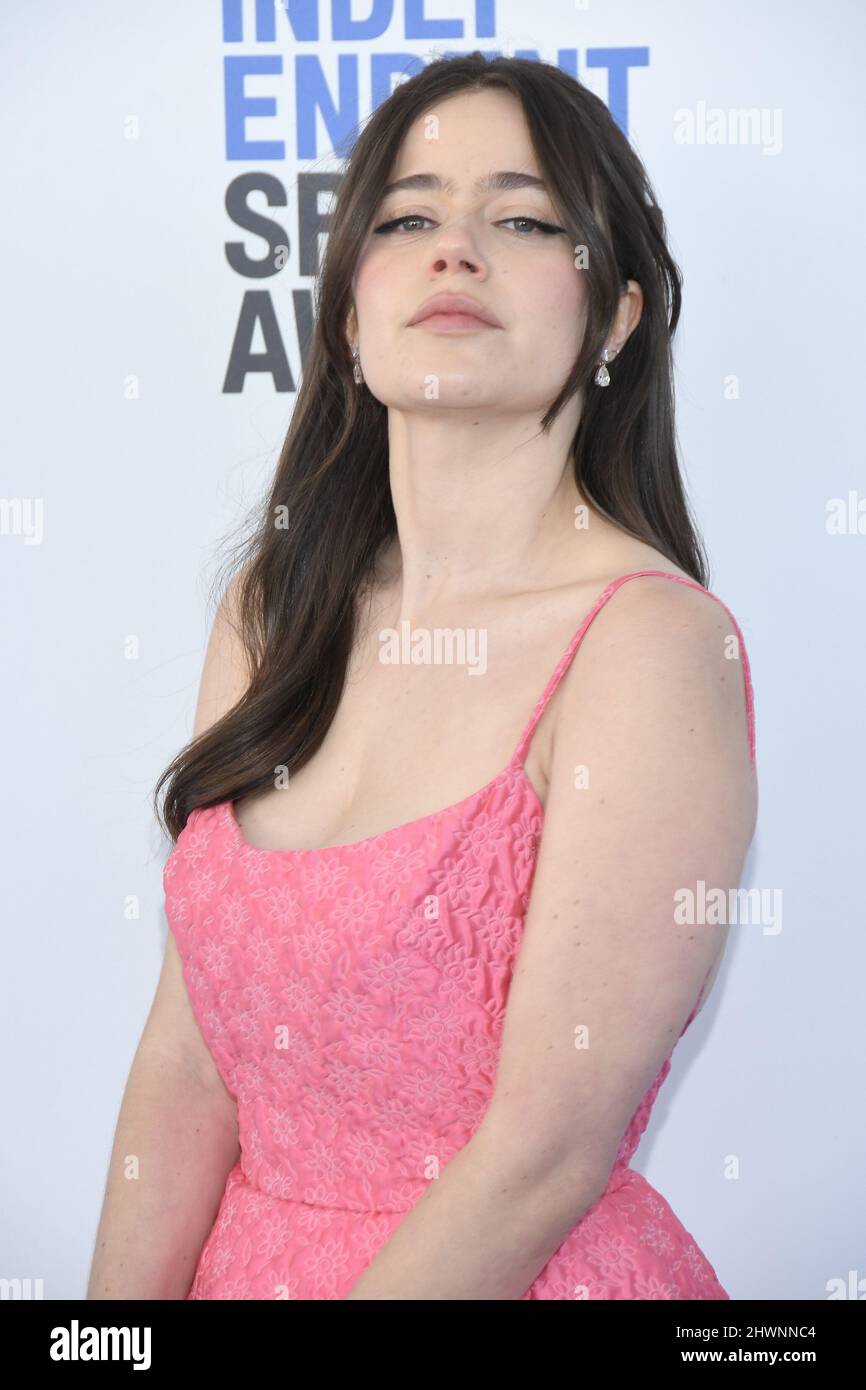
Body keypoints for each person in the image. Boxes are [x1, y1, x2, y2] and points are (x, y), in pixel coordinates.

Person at [87, 52, 757, 1300]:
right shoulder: (271, 609)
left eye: (519, 216)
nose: (454, 248)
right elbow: (188, 1058)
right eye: (405, 217)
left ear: (611, 312)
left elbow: (539, 1157)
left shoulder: (649, 646)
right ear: (347, 312)